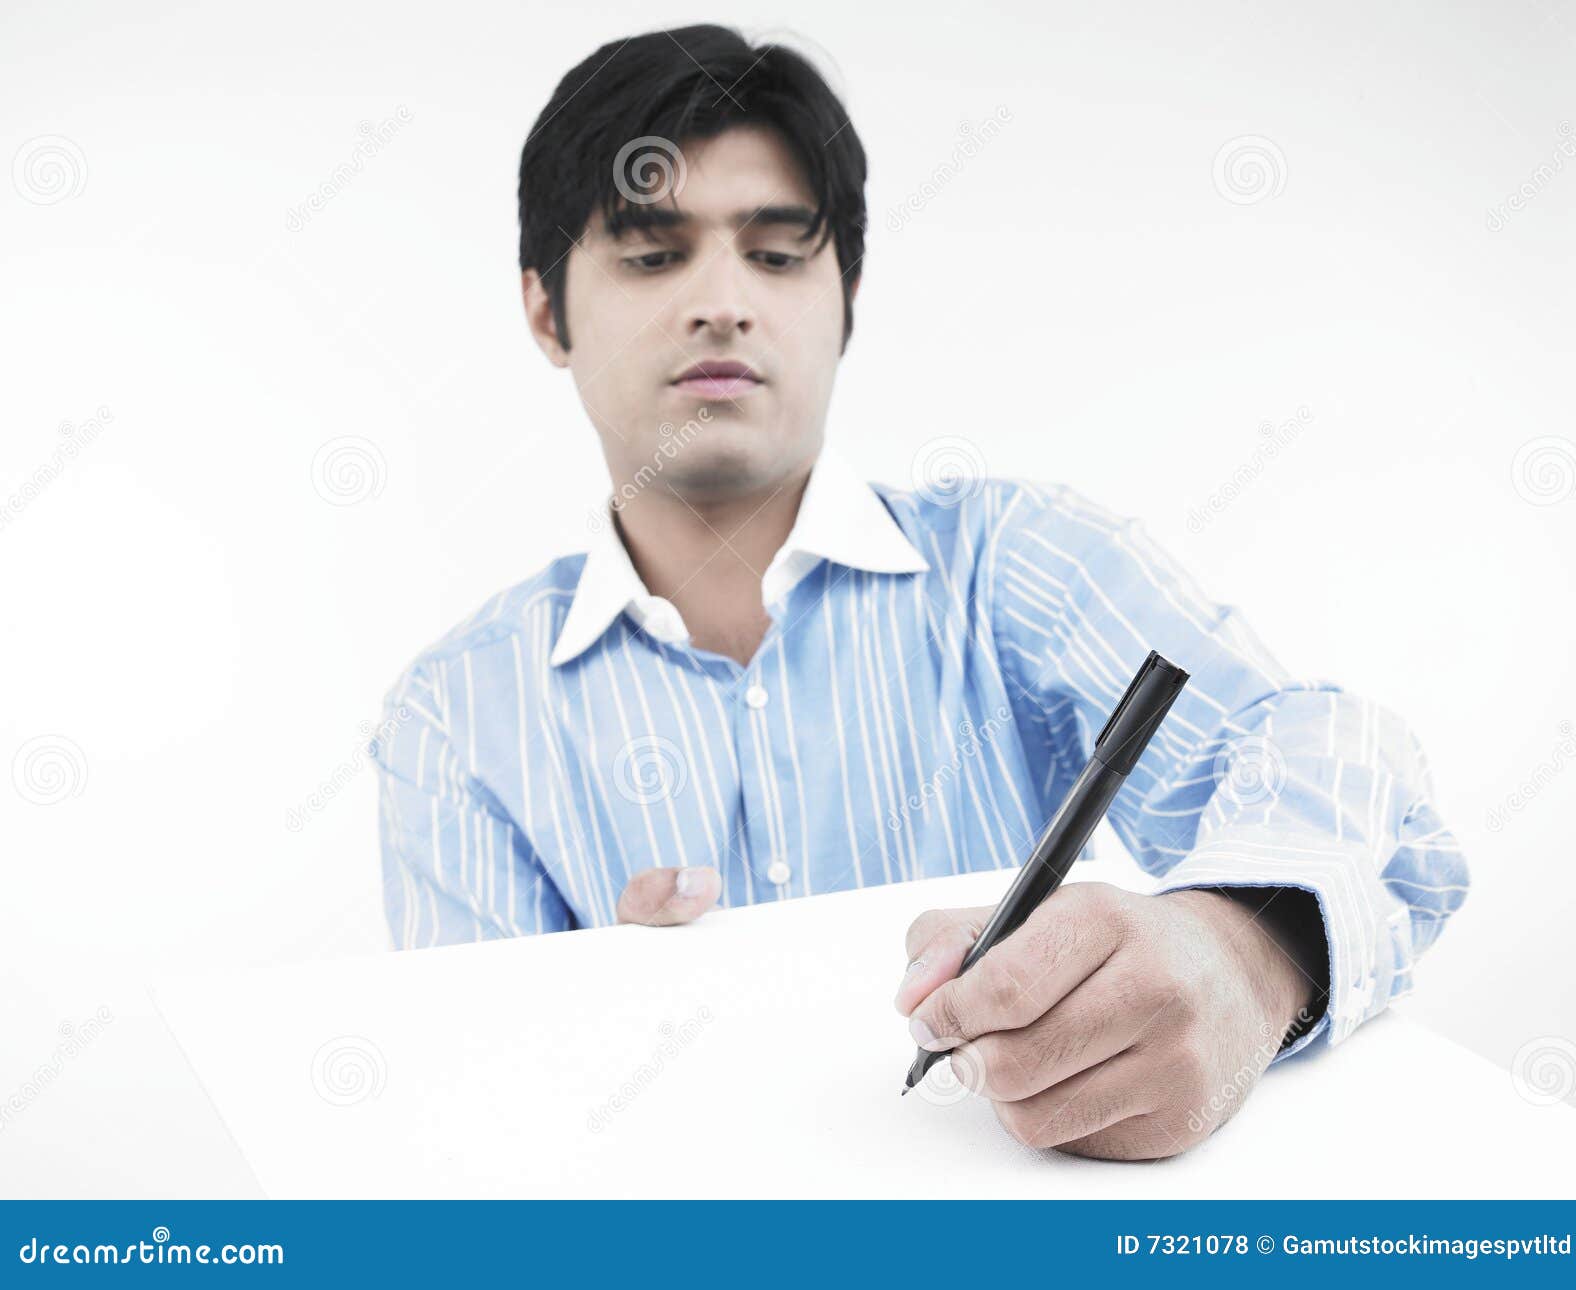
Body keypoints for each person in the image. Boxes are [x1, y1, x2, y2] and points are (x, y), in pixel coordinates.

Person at [369, 24, 1468, 1160]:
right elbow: (466, 1132)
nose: (722, 302)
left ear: (845, 295)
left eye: (777, 253)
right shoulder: (456, 716)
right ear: (546, 311)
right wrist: (583, 1028)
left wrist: (1247, 949)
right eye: (653, 255)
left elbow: (1333, 752)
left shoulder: (1017, 563)